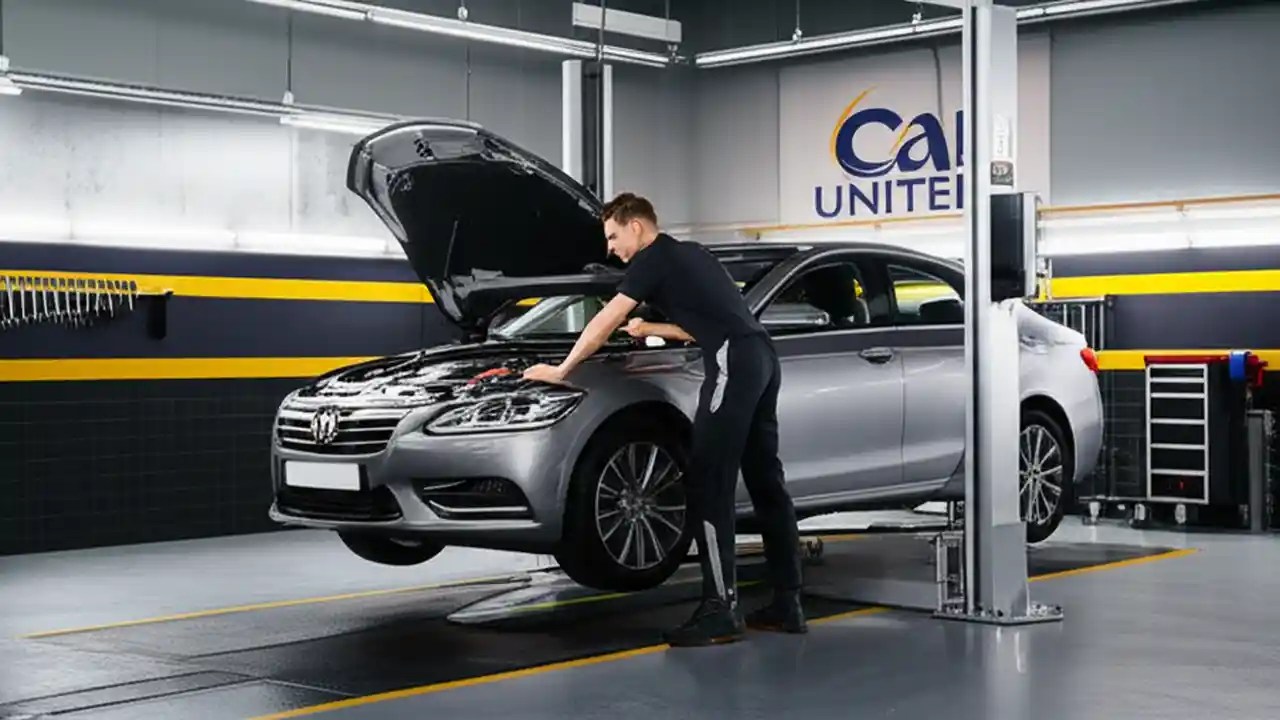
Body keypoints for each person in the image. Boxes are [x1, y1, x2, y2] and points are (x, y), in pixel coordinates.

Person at [522, 192, 805, 647]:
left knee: (709, 481)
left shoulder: (651, 261)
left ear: (636, 226)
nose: (611, 248)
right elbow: (707, 324)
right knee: (765, 480)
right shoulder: (691, 254)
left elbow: (605, 322)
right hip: (761, 356)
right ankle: (788, 603)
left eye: (614, 236)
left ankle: (720, 610)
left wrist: (561, 369)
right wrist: (651, 329)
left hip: (734, 360)